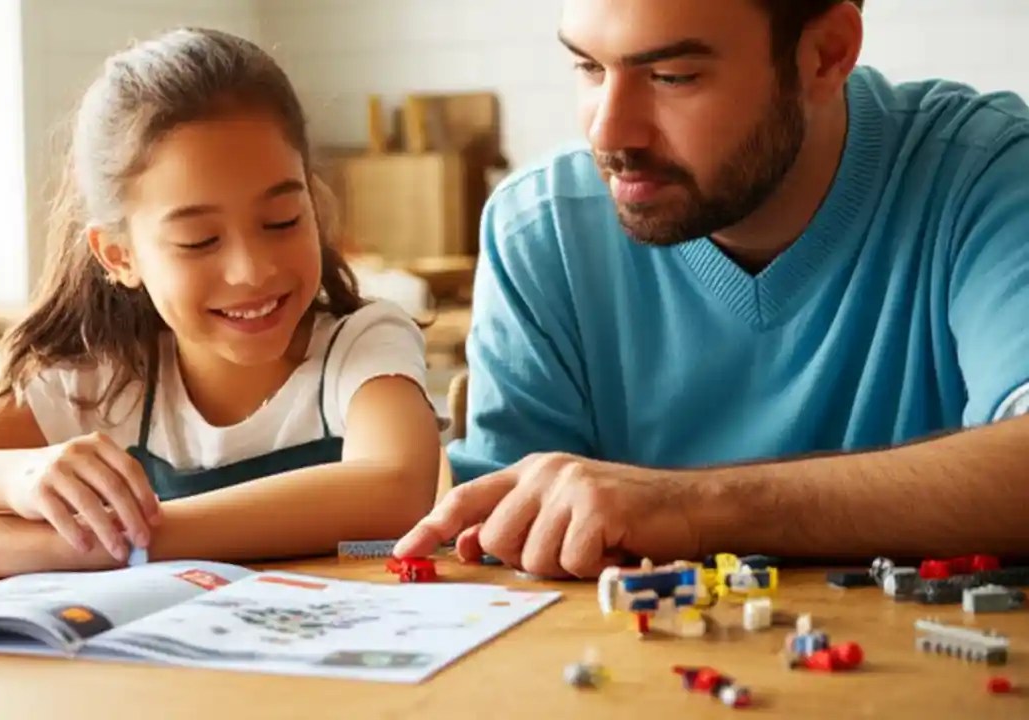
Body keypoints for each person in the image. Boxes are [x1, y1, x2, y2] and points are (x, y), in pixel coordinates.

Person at [395, 0, 1029, 577]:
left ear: (826, 54)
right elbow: (505, 547)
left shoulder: (986, 175)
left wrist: (695, 510)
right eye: (589, 68)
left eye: (672, 77)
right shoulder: (542, 227)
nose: (609, 135)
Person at [0, 27, 442, 580]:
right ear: (119, 256)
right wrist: (14, 478)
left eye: (281, 220)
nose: (252, 270)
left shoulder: (360, 345)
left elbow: (394, 490)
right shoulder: (105, 385)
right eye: (199, 240)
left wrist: (99, 545)